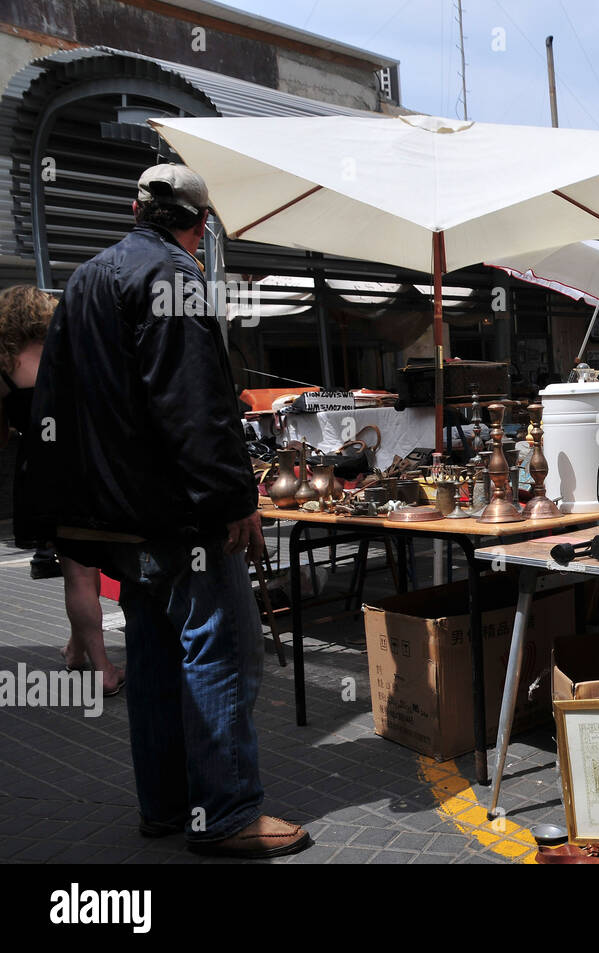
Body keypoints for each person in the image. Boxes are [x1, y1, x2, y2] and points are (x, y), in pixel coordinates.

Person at [20, 164, 310, 858]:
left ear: (134, 208)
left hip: (114, 515)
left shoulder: (87, 278)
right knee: (222, 650)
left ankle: (165, 806)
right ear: (200, 223)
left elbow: (57, 403)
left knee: (152, 657)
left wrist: (69, 517)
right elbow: (193, 405)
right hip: (175, 513)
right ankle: (230, 809)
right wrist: (234, 499)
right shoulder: (175, 279)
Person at [0, 285, 125, 695]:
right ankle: (86, 656)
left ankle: (93, 662)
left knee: (77, 572)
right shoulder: (73, 352)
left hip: (42, 474)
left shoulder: (5, 365)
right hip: (91, 465)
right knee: (87, 569)